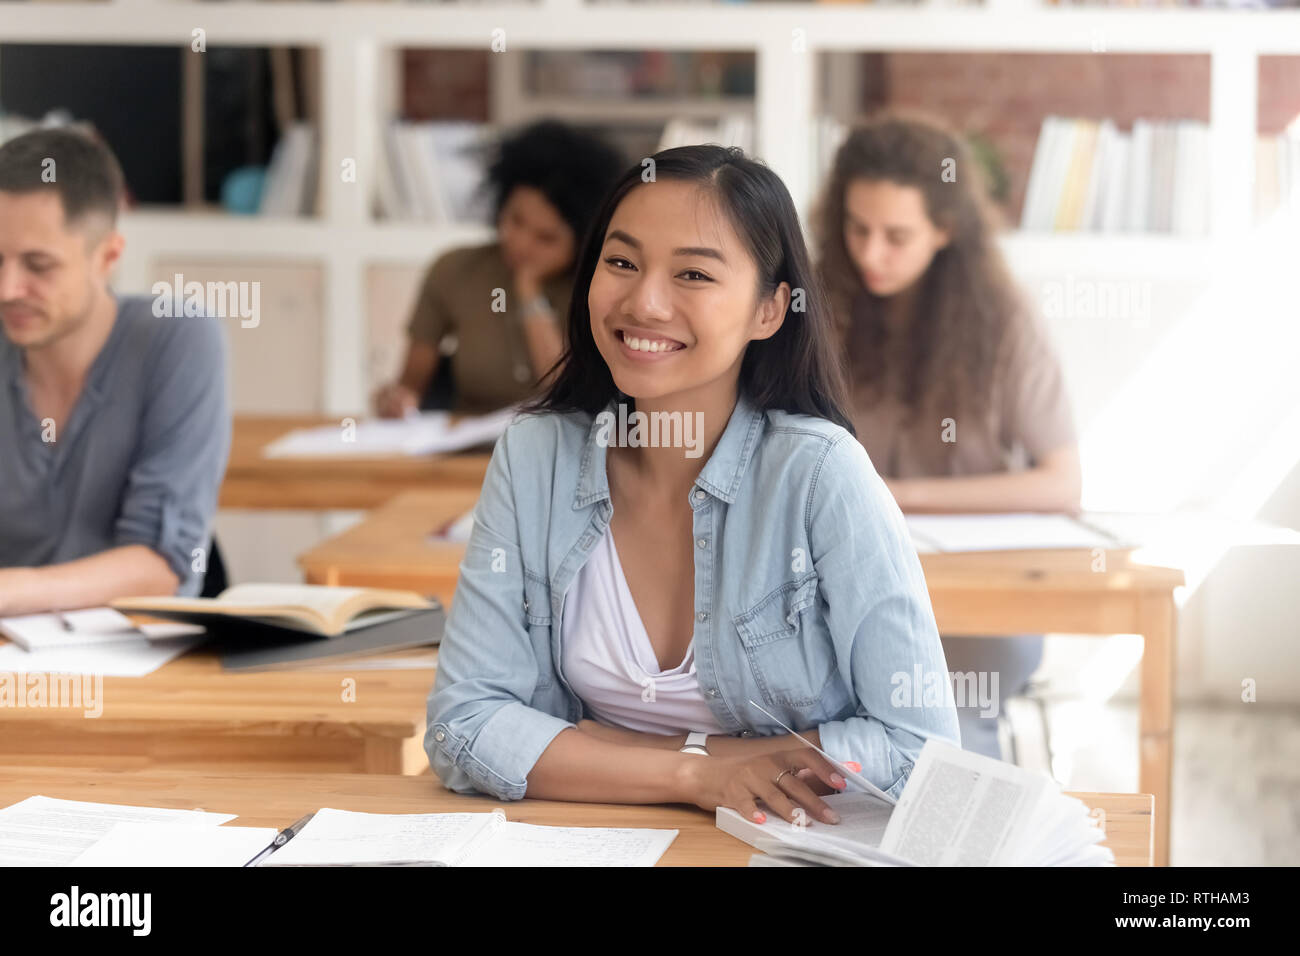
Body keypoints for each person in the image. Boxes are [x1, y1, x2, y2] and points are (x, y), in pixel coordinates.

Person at [426, 144, 958, 826]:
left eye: (694, 275)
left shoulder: (822, 473)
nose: (643, 302)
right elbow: (464, 723)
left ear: (769, 311)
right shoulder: (535, 456)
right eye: (621, 262)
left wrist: (618, 747)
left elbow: (921, 750)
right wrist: (694, 773)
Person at [815, 113, 1082, 761]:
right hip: (846, 589)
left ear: (945, 228)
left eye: (896, 236)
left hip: (984, 601)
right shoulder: (816, 308)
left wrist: (899, 495)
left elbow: (1061, 483)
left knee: (954, 733)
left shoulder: (1003, 319)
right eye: (857, 228)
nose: (871, 253)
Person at [0, 128, 230, 616]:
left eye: (38, 266)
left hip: (137, 659)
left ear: (108, 256)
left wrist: (12, 591)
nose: (8, 289)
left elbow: (163, 565)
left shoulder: (176, 339)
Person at [374, 120, 625, 417]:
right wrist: (394, 401)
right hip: (467, 450)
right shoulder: (455, 270)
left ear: (584, 240)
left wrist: (528, 292)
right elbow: (411, 386)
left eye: (546, 238)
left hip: (560, 447)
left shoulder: (600, 286)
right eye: (515, 220)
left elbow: (565, 393)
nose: (521, 243)